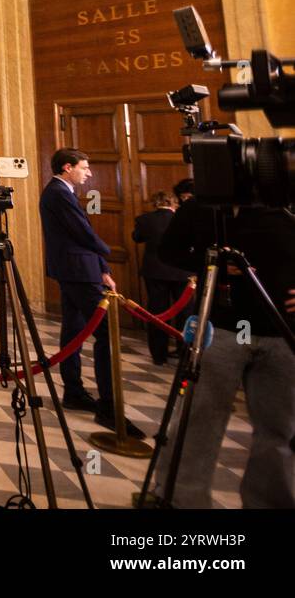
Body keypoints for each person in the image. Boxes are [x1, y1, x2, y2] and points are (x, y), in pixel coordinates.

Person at [149, 198, 295, 508]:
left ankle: (271, 501)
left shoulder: (287, 204)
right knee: (201, 418)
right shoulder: (205, 203)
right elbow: (169, 251)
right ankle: (181, 498)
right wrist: (208, 261)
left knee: (280, 427)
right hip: (221, 325)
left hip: (282, 330)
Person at [39, 148, 145, 437]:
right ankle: (109, 407)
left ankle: (74, 391)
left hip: (78, 268)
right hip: (76, 270)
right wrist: (106, 250)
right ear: (66, 167)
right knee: (106, 336)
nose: (89, 173)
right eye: (83, 168)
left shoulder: (63, 191)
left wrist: (102, 267)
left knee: (73, 331)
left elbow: (81, 231)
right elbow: (82, 232)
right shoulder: (58, 193)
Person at [132, 190, 193, 365]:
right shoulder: (183, 219)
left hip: (155, 272)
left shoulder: (145, 219)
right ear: (173, 203)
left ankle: (159, 354)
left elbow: (137, 238)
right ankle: (185, 352)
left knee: (157, 312)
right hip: (182, 271)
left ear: (155, 203)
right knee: (185, 313)